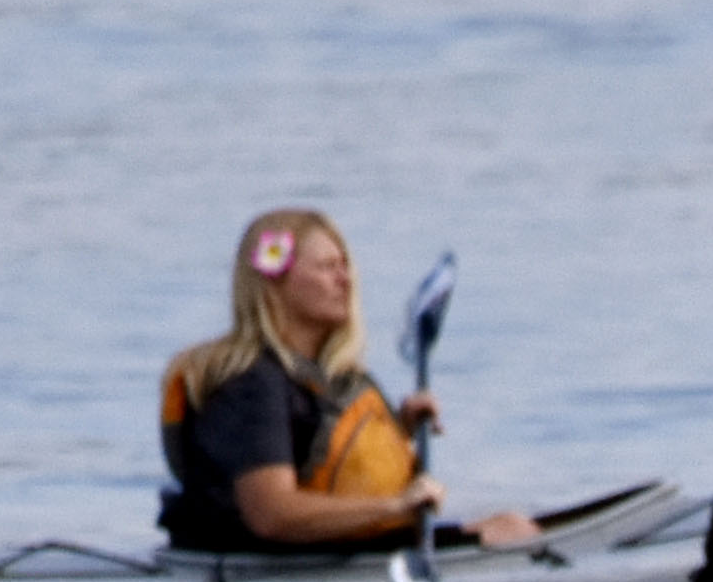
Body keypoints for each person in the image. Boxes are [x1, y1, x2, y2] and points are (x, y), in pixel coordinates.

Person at [158, 209, 540, 556]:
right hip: (261, 566)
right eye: (327, 267)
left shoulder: (322, 374)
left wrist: (400, 429)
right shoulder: (250, 383)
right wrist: (397, 506)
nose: (345, 280)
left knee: (512, 524)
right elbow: (271, 514)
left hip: (332, 553)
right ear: (276, 281)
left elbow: (316, 454)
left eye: (345, 266)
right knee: (512, 531)